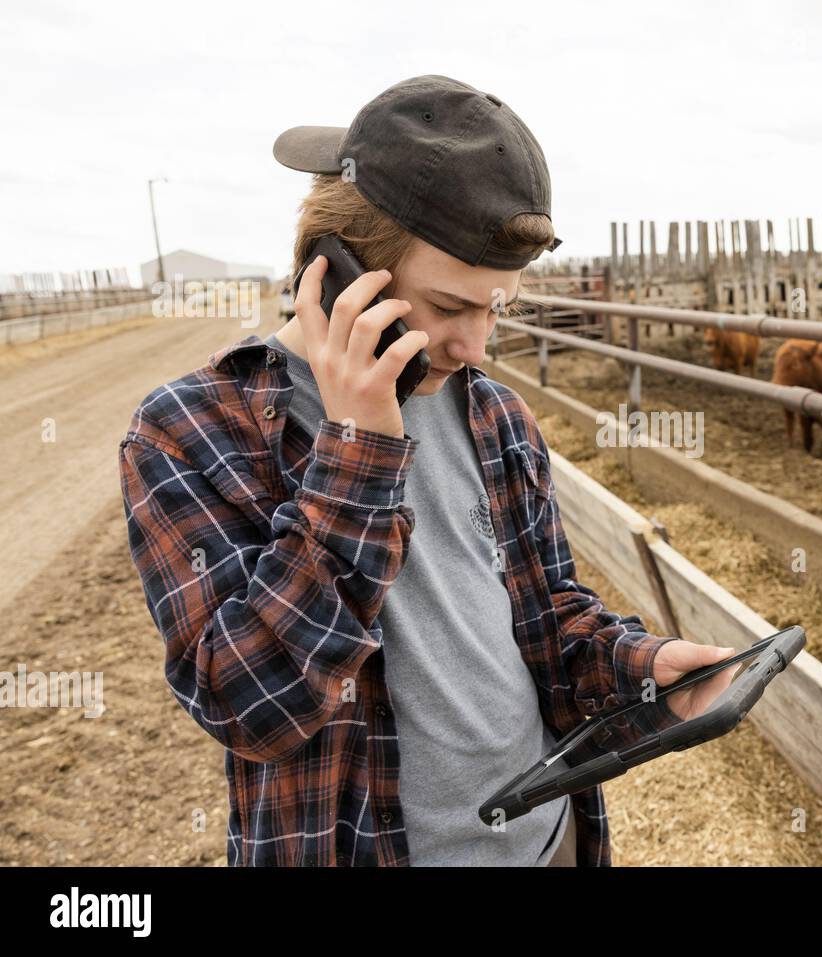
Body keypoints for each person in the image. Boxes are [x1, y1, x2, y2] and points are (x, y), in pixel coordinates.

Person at [117, 75, 729, 866]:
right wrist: (357, 454)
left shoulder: (495, 416)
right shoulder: (188, 430)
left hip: (550, 841)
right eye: (448, 308)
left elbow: (549, 622)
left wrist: (639, 668)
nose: (476, 347)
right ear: (340, 273)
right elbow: (249, 701)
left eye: (495, 309)